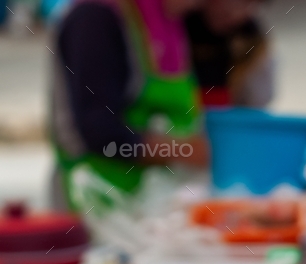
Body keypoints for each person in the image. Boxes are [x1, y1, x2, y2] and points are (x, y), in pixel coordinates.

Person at [50, 0, 210, 209]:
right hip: (95, 197)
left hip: (152, 204)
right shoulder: (94, 18)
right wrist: (180, 150)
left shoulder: (169, 23)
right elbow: (102, 136)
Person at [184, 0, 274, 110]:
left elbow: (257, 105)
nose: (236, 12)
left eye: (250, 5)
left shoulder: (253, 42)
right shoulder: (177, 22)